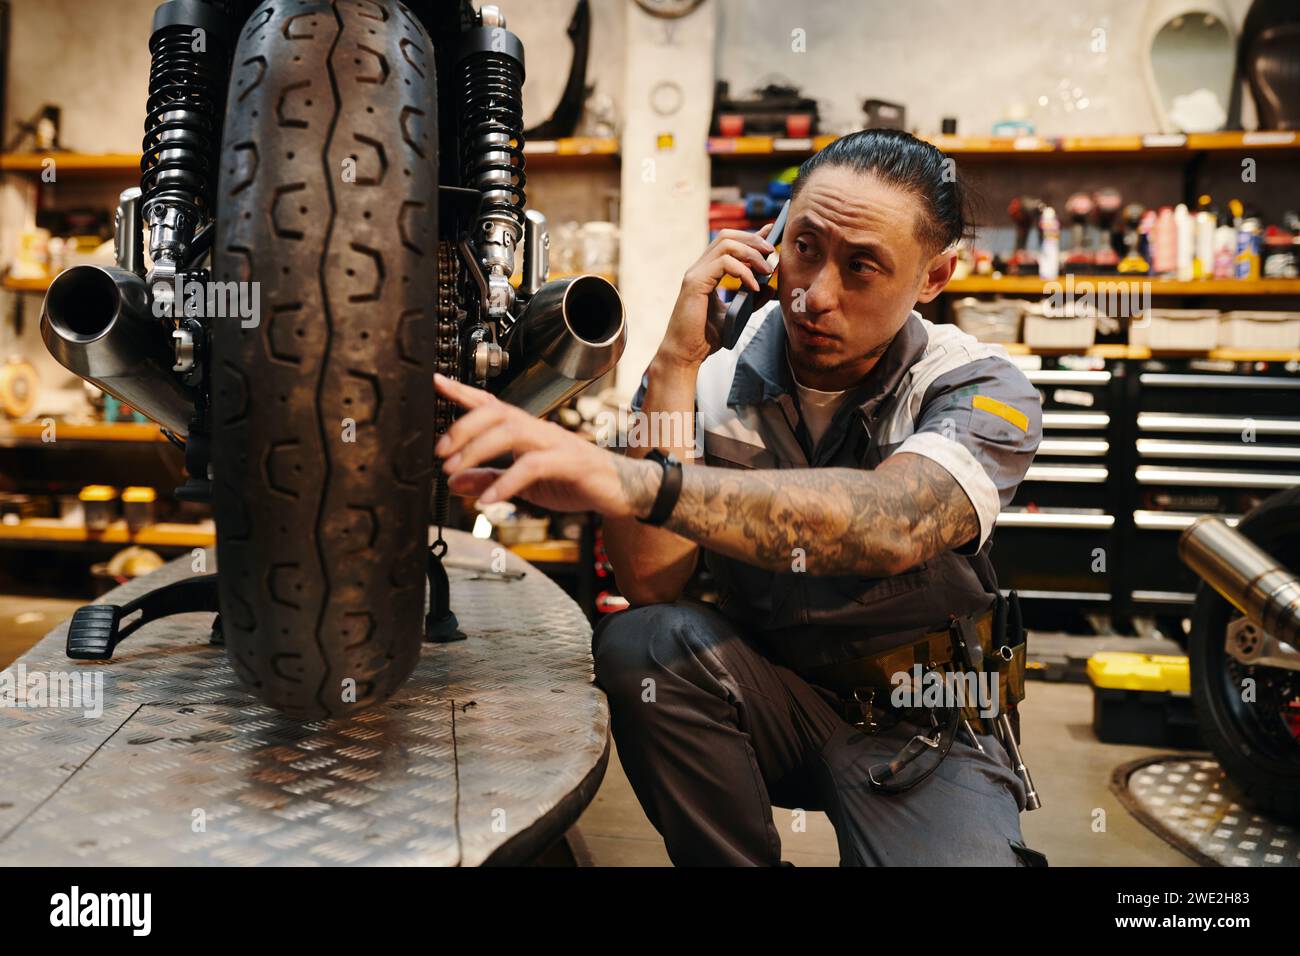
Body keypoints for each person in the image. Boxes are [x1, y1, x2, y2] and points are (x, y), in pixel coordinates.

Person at [433, 128, 1046, 866]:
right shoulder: (712, 376)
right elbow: (650, 581)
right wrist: (673, 359)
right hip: (773, 699)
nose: (815, 293)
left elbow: (893, 524)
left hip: (929, 724)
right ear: (772, 236)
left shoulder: (981, 388)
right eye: (806, 247)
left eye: (862, 268)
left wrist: (628, 480)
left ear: (934, 278)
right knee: (644, 642)